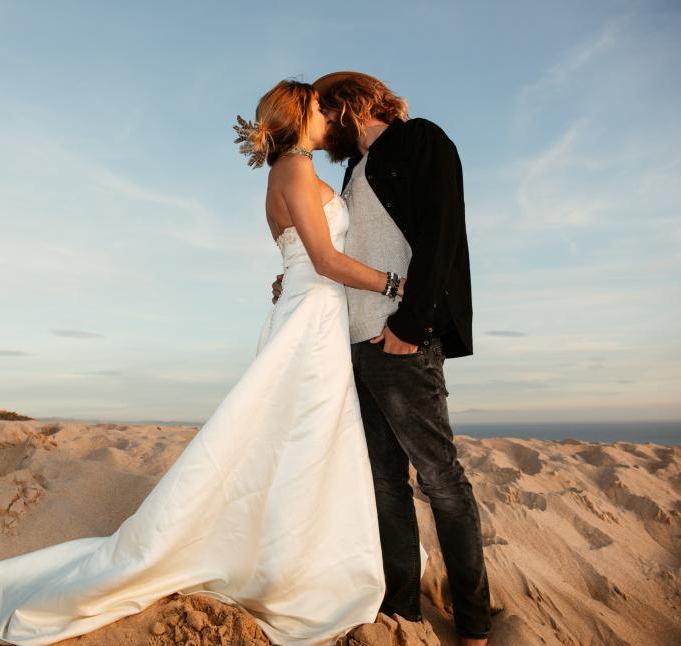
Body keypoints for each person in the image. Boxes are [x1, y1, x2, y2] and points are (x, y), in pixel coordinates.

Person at [0, 79, 429, 646]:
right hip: (311, 321)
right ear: (300, 112)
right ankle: (292, 567)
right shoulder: (292, 168)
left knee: (307, 443)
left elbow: (300, 256)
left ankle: (304, 554)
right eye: (318, 105)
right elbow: (324, 258)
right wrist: (395, 283)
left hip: (312, 312)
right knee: (304, 440)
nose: (326, 113)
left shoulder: (293, 171)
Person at [272, 71, 492, 644]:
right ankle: (403, 605)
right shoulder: (353, 170)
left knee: (441, 481)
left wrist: (410, 327)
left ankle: (472, 623)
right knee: (384, 483)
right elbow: (340, 250)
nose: (317, 125)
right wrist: (292, 275)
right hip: (352, 350)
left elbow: (442, 237)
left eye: (323, 108)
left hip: (401, 345)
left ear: (349, 104)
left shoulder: (421, 140)